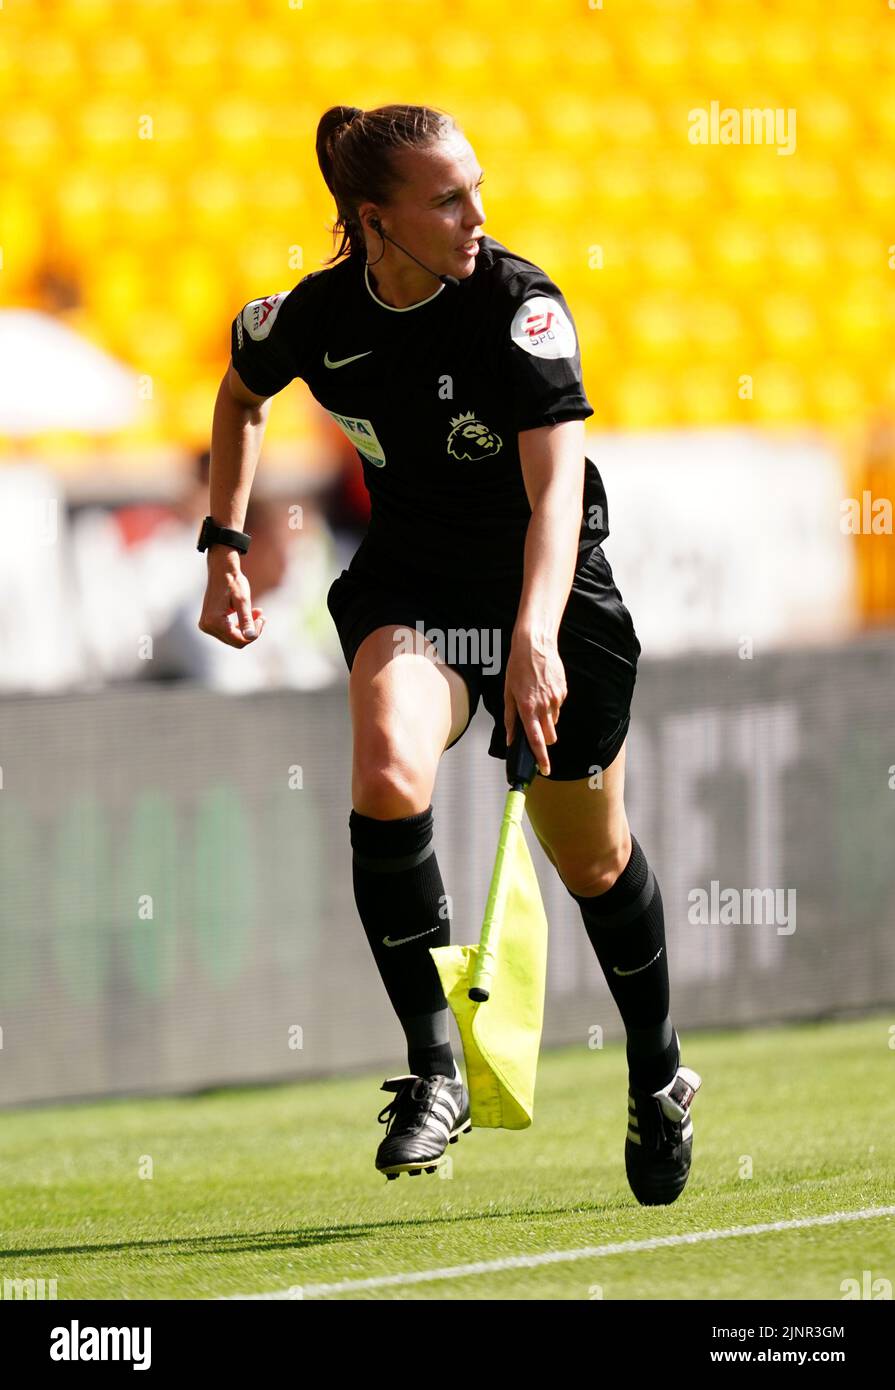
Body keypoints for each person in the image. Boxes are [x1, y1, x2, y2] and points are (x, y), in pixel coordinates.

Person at [200, 103, 702, 1202]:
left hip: (549, 589)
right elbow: (242, 394)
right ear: (375, 221)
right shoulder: (317, 316)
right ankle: (437, 1067)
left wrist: (531, 635)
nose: (478, 214)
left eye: (478, 187)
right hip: (414, 587)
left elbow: (555, 491)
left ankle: (657, 1069)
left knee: (593, 860)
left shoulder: (521, 308)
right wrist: (223, 544)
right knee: (386, 774)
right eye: (447, 198)